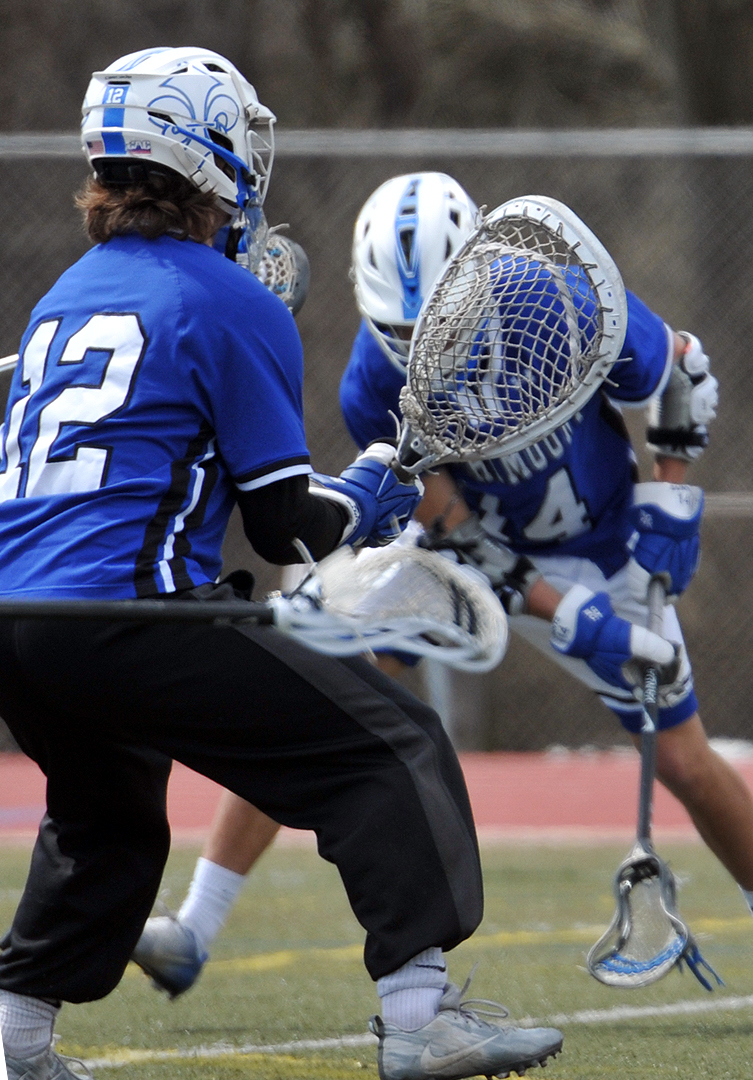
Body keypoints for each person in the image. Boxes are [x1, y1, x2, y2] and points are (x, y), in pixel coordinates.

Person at [131, 171, 753, 1026]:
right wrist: (567, 613)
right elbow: (458, 529)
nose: (417, 343)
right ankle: (196, 927)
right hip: (477, 556)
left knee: (686, 760)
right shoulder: (371, 383)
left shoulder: (558, 297)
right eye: (398, 327)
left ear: (478, 278)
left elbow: (681, 376)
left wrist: (671, 495)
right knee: (318, 690)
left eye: (432, 316)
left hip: (604, 543)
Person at [0, 50, 562, 1080]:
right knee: (389, 746)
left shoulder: (64, 295)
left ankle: (18, 1048)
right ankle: (419, 1017)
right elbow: (287, 527)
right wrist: (377, 489)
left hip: (19, 628)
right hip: (131, 619)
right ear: (203, 151)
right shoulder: (226, 301)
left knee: (105, 818)